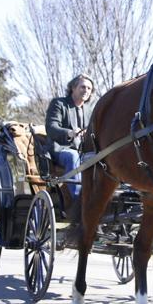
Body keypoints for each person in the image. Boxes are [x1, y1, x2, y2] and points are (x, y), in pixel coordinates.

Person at [45, 74, 95, 228]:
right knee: (73, 156)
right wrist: (70, 133)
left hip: (84, 151)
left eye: (89, 88)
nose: (86, 90)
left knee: (101, 158)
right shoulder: (59, 104)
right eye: (82, 87)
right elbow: (51, 127)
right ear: (73, 88)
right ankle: (77, 202)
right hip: (61, 150)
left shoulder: (90, 108)